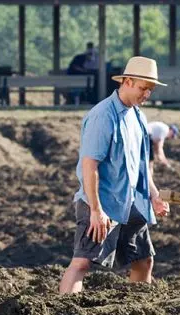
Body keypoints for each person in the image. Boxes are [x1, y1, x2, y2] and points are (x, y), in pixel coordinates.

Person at [59, 56, 170, 294]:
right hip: (104, 202)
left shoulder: (138, 116)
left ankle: (138, 308)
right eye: (143, 88)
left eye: (150, 90)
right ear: (127, 81)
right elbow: (90, 165)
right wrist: (96, 211)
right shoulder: (103, 115)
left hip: (131, 202)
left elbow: (140, 165)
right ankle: (61, 313)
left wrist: (154, 195)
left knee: (144, 259)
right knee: (82, 262)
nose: (146, 94)